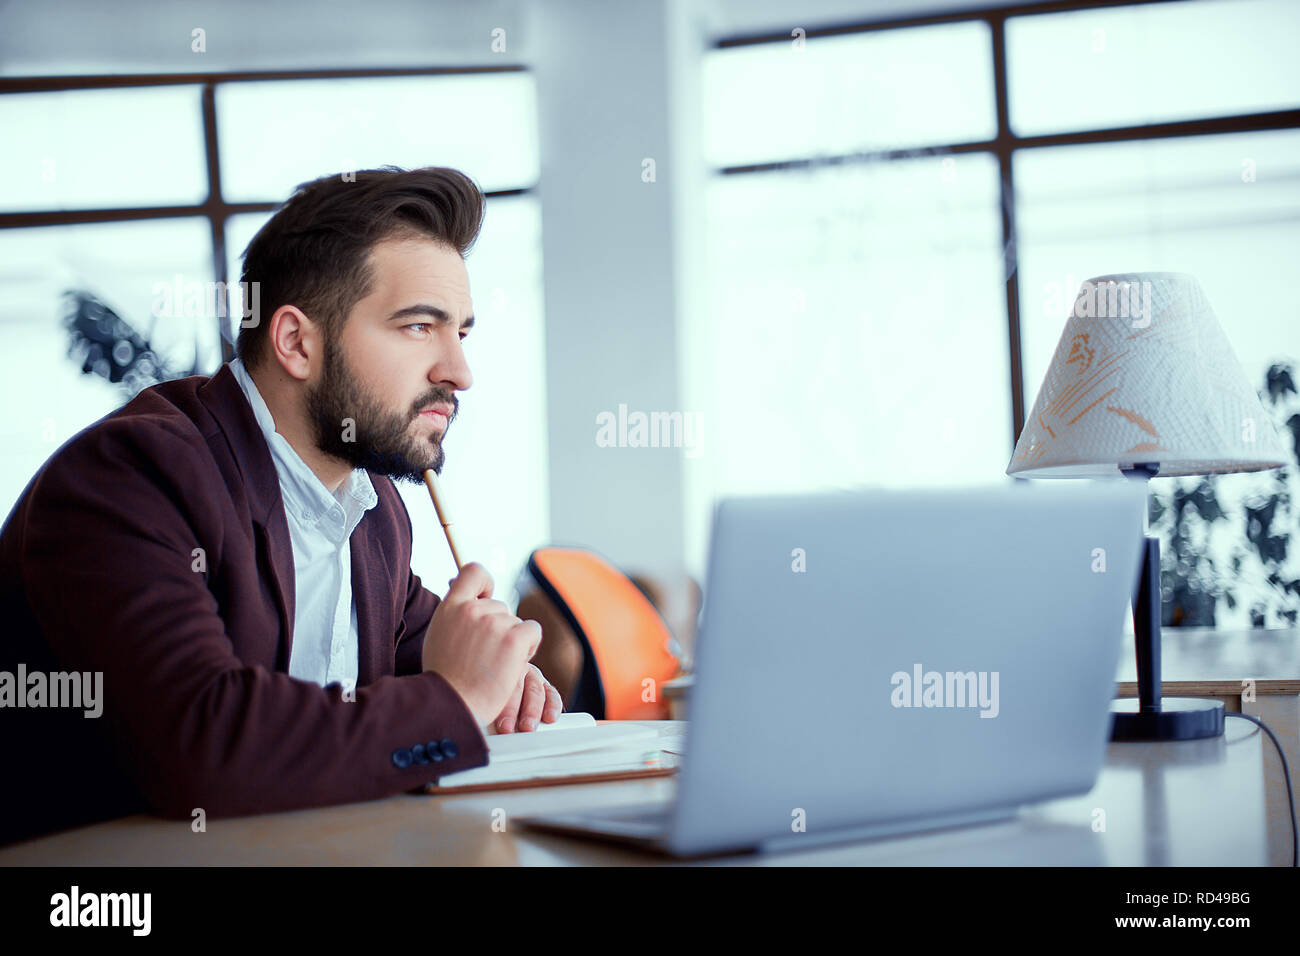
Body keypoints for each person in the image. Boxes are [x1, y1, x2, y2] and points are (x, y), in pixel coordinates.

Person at [0, 166, 560, 845]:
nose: (458, 371)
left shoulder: (370, 507)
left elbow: (422, 654)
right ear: (296, 343)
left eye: (461, 334)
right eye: (419, 327)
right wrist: (459, 699)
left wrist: (499, 674)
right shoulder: (128, 478)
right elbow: (199, 748)